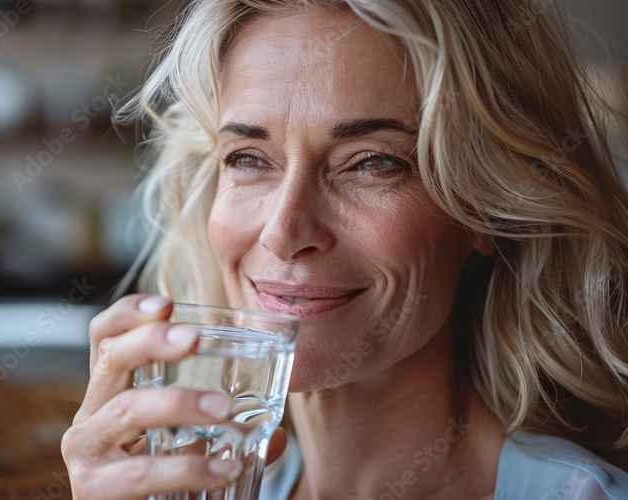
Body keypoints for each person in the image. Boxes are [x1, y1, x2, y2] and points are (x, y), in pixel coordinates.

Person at [60, 0, 628, 498]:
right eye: (249, 159)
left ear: (484, 208)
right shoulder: (197, 484)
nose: (284, 230)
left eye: (372, 162)